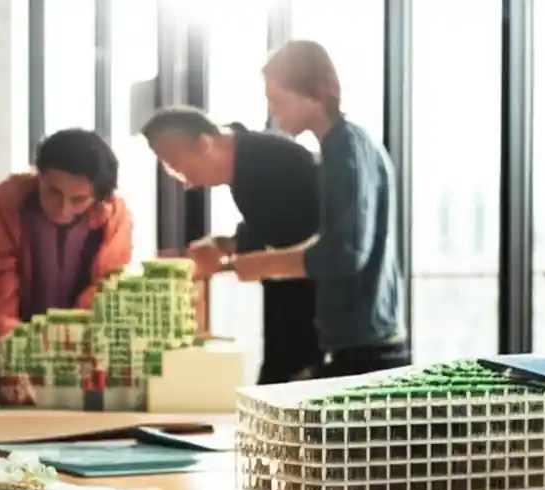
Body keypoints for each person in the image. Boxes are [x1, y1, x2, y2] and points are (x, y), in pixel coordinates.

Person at [213, 40, 408, 379]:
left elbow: (345, 252)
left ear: (315, 94)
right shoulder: (344, 145)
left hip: (369, 345)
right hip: (363, 338)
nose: (274, 113)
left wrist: (263, 264)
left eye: (278, 101)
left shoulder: (346, 147)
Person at [141, 106, 323, 384]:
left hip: (322, 314)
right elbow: (268, 230)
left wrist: (220, 262)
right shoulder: (253, 160)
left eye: (177, 166)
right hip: (296, 309)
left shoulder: (268, 162)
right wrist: (221, 245)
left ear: (204, 143)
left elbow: (286, 247)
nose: (185, 182)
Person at [0, 128, 132, 404]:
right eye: (53, 192)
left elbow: (103, 299)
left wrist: (70, 362)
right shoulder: (4, 210)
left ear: (100, 198)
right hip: (7, 364)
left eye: (78, 200)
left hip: (80, 367)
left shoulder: (114, 222)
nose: (62, 208)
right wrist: (14, 363)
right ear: (38, 175)